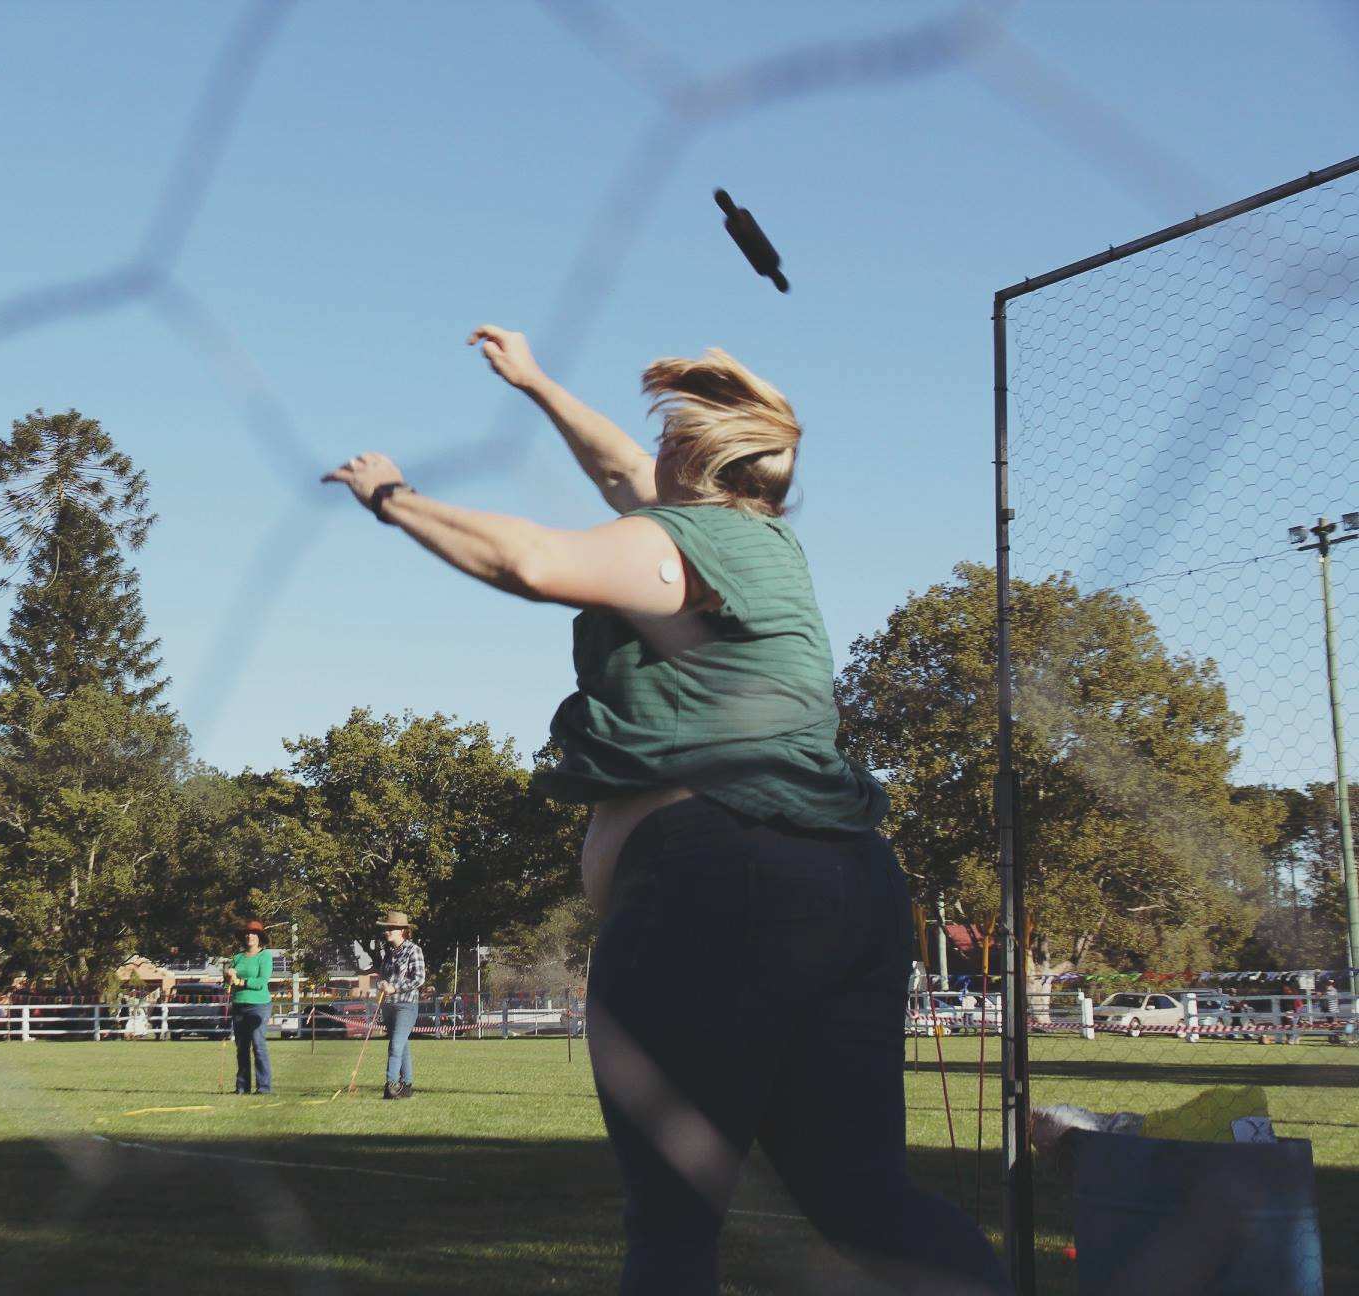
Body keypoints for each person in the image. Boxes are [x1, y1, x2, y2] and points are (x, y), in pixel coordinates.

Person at [322, 326, 1008, 1293]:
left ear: (692, 462)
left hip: (722, 890)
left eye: (669, 444)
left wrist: (394, 499)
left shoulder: (697, 541)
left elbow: (529, 561)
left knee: (676, 1221)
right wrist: (535, 384)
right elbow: (616, 471)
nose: (647, 460)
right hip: (845, 886)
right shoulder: (757, 542)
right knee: (862, 1197)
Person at [375, 911, 425, 1099]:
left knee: (395, 1046)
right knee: (401, 1046)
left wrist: (394, 988)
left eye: (390, 928)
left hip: (406, 1006)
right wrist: (381, 985)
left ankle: (391, 1085)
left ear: (402, 931)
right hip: (389, 1006)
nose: (387, 931)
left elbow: (419, 978)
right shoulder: (388, 954)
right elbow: (382, 977)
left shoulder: (414, 950)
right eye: (387, 928)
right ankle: (407, 1086)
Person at [224, 919, 274, 1094]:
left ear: (259, 937)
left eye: (254, 934)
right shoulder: (237, 957)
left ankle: (264, 1088)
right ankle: (242, 1087)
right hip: (239, 1004)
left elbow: (261, 982)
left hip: (259, 1005)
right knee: (241, 1047)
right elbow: (227, 986)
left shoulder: (265, 956)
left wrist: (241, 981)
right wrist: (227, 977)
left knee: (258, 1044)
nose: (250, 936)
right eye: (247, 933)